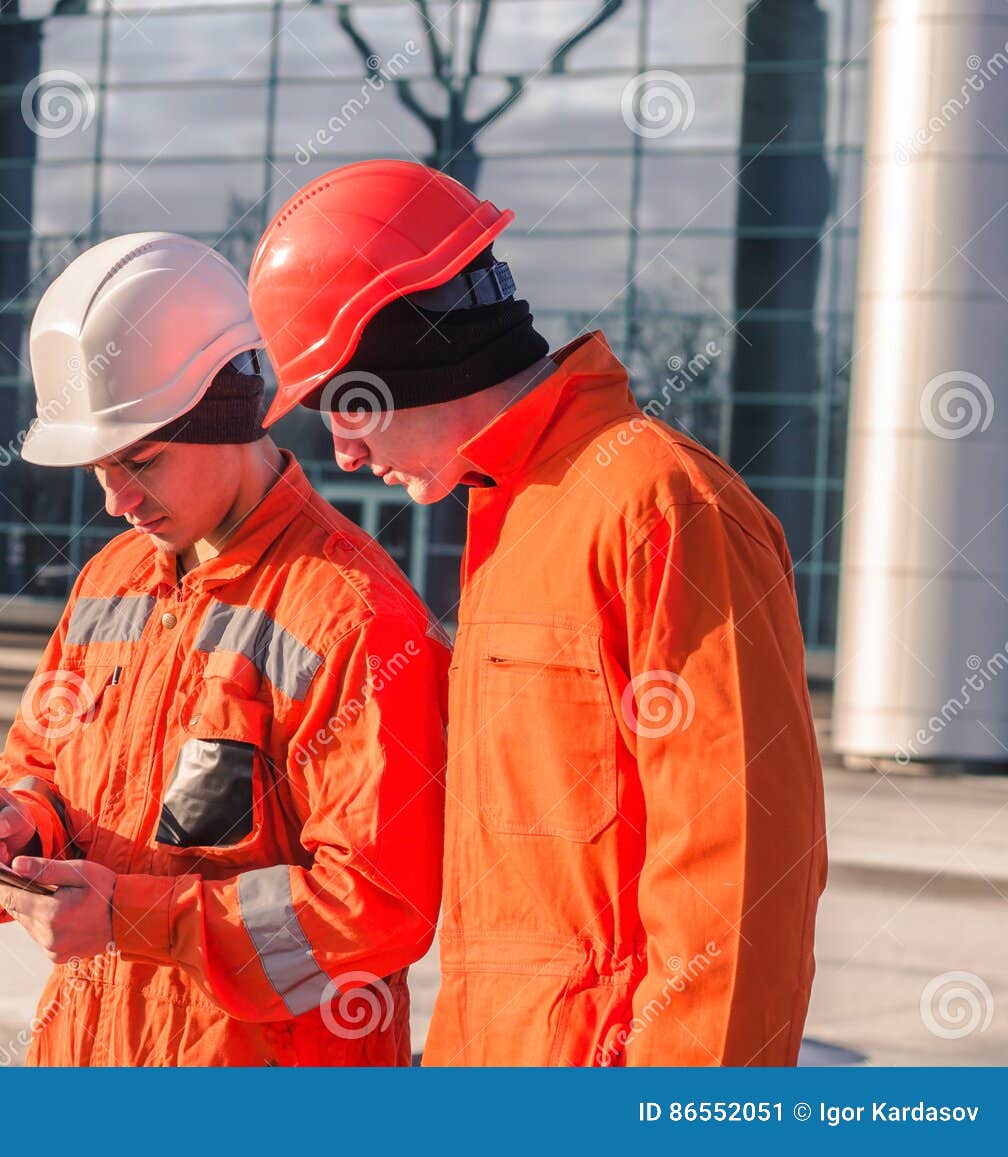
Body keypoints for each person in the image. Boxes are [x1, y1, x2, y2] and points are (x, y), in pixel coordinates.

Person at [248, 159, 827, 1066]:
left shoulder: (661, 506)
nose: (345, 453)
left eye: (339, 404)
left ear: (409, 350)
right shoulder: (514, 523)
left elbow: (740, 871)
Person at [0, 231, 449, 1066]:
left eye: (141, 460)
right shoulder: (111, 580)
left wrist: (128, 917)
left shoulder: (353, 615)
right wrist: (12, 824)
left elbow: (377, 908)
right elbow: (47, 768)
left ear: (229, 417)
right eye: (98, 466)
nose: (114, 498)